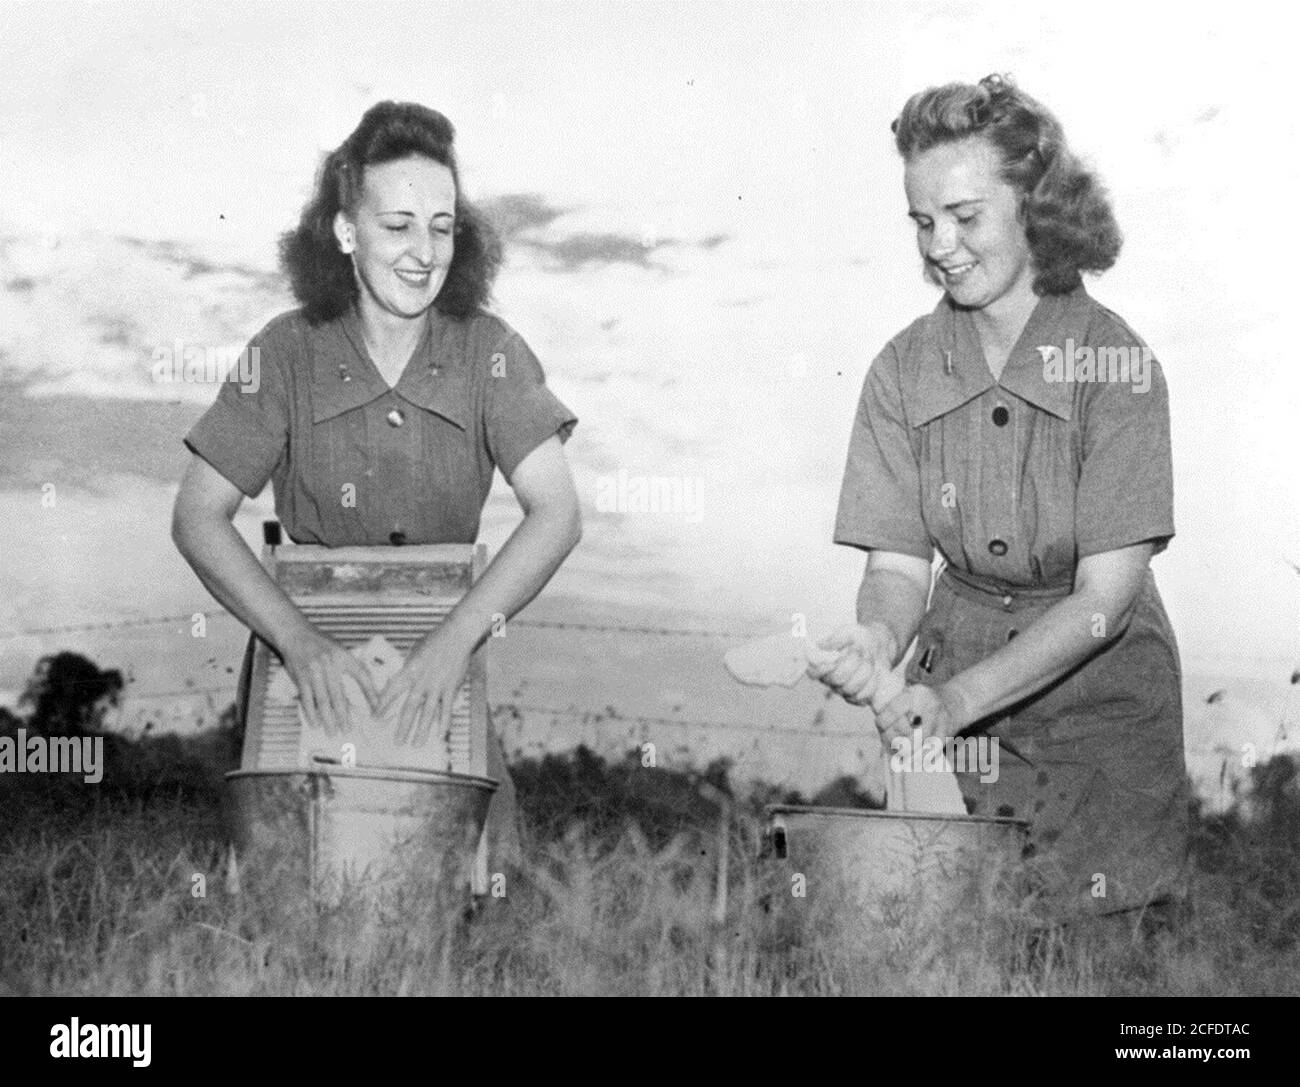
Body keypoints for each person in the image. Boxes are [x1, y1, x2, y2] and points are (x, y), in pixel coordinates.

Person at [809, 75, 1188, 927]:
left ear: (1035, 205)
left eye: (966, 216)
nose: (939, 244)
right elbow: (899, 564)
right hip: (953, 723)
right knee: (952, 949)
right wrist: (876, 640)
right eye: (921, 220)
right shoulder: (900, 370)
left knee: (1100, 967)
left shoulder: (1118, 366)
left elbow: (1105, 601)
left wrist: (954, 701)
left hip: (1101, 712)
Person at [172, 101, 581, 874]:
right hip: (308, 685)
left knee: (488, 896)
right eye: (397, 225)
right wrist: (300, 644)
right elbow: (198, 516)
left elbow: (557, 514)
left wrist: (449, 646)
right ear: (344, 230)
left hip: (443, 675)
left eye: (443, 224)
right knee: (292, 899)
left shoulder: (492, 351)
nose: (424, 251)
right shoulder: (285, 351)